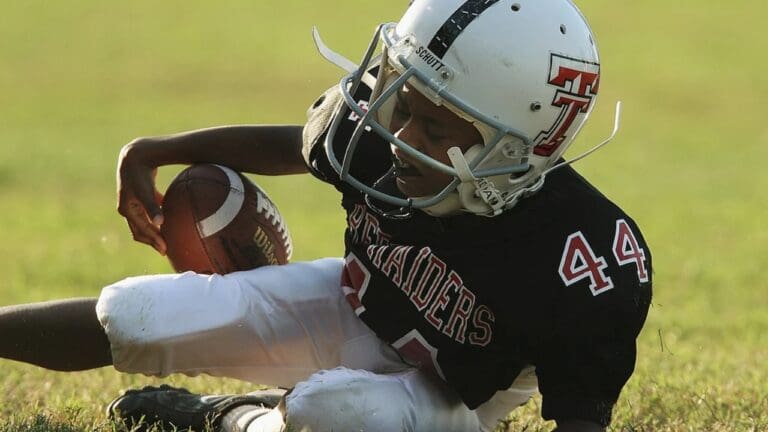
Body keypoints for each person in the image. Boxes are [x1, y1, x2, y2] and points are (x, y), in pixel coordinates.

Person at [0, 0, 652, 431]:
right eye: (404, 100)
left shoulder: (581, 254)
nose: (400, 134)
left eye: (434, 124)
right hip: (358, 305)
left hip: (459, 396)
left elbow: (581, 420)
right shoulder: (390, 129)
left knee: (330, 412)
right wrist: (157, 151)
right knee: (136, 315)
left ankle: (229, 418)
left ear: (516, 150)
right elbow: (293, 145)